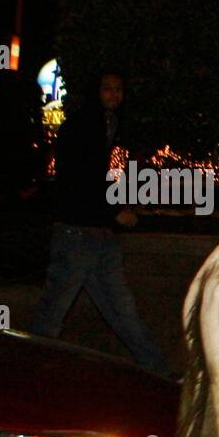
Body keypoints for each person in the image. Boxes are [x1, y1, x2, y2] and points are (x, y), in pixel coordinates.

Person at [29, 71, 173, 376]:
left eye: (118, 89)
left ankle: (160, 372)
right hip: (79, 233)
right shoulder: (86, 126)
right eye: (107, 89)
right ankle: (29, 377)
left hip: (93, 233)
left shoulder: (104, 126)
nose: (114, 95)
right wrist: (112, 213)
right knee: (55, 314)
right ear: (95, 92)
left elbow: (89, 179)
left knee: (120, 312)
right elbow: (82, 179)